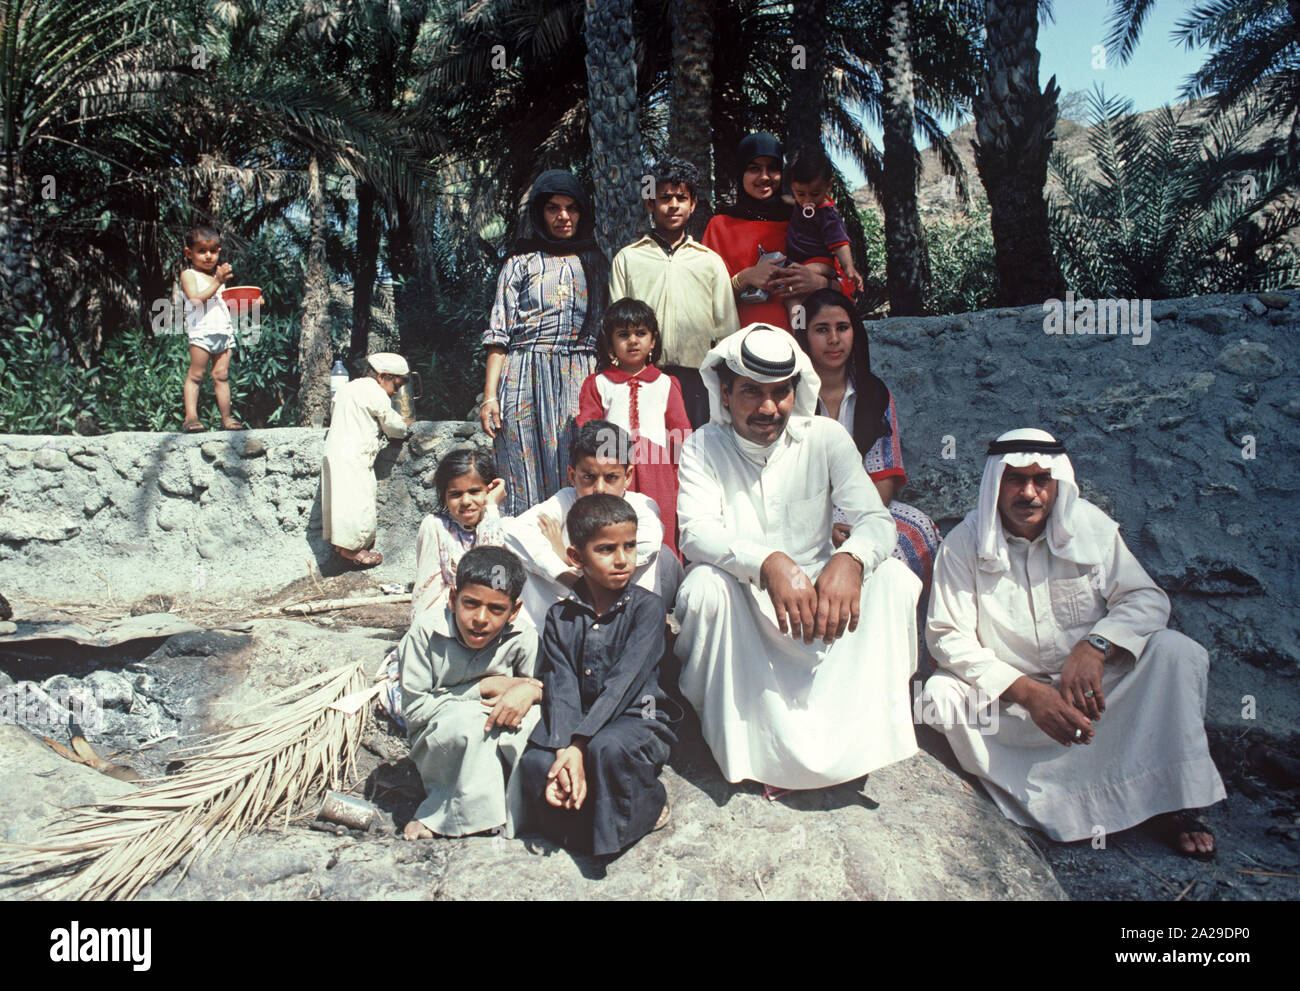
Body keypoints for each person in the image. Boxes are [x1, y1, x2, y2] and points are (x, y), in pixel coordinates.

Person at [921, 428, 1225, 858]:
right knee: (939, 696)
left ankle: (1174, 801)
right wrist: (1028, 693)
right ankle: (1015, 803)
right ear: (996, 482)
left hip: (1091, 694)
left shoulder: (1090, 527)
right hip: (1014, 703)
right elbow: (947, 637)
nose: (1029, 493)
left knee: (1177, 653)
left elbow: (1145, 598)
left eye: (1041, 480)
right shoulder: (964, 545)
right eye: (1016, 480)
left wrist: (1096, 646)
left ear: (1057, 483)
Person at [673, 325, 921, 798]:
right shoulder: (704, 446)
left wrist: (850, 560)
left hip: (823, 604)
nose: (768, 408)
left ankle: (853, 740)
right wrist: (768, 562)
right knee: (703, 588)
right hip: (747, 603)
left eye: (780, 392)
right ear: (725, 393)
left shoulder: (825, 437)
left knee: (894, 580)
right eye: (751, 392)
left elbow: (875, 519)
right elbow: (696, 532)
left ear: (795, 390)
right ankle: (749, 746)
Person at [516, 494, 677, 856]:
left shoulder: (647, 609)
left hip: (640, 714)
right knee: (538, 763)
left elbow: (625, 682)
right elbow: (560, 683)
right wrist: (563, 748)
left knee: (608, 750)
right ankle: (586, 820)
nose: (623, 560)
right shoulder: (561, 616)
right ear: (576, 558)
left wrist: (579, 745)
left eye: (629, 546)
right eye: (606, 550)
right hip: (580, 719)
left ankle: (648, 805)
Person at [480, 170, 609, 516]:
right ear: (539, 212)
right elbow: (499, 332)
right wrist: (490, 396)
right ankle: (522, 557)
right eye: (553, 208)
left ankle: (573, 554)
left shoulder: (596, 262)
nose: (563, 216)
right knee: (520, 464)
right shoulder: (519, 262)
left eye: (571, 208)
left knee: (574, 458)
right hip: (522, 373)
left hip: (578, 373)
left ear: (583, 212)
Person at [795, 289, 940, 589]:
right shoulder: (788, 396)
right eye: (822, 330)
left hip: (863, 505)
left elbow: (883, 474)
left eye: (842, 328)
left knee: (915, 533)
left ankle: (914, 635)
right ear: (805, 336)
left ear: (855, 333)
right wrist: (823, 526)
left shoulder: (875, 394)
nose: (834, 339)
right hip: (801, 508)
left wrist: (863, 522)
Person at [400, 546, 542, 841]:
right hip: (441, 738)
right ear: (453, 599)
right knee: (468, 724)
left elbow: (543, 687)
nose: (480, 618)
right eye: (470, 603)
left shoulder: (523, 637)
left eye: (496, 609)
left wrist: (528, 692)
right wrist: (483, 688)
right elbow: (414, 712)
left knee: (531, 722)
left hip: (500, 727)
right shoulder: (425, 633)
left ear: (514, 610)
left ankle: (513, 814)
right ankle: (442, 814)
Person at [503, 419, 682, 629]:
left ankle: (639, 627)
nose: (599, 488)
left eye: (611, 478)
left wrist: (569, 559)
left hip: (624, 608)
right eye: (588, 477)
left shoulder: (640, 505)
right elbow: (511, 531)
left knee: (660, 555)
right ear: (572, 475)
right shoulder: (566, 499)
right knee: (527, 556)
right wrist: (567, 575)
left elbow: (646, 548)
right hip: (572, 602)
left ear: (627, 476)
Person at [609, 155, 738, 426]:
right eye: (665, 198)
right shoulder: (628, 259)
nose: (673, 205)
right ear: (650, 204)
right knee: (648, 454)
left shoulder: (710, 262)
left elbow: (727, 331)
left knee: (693, 453)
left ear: (692, 205)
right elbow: (616, 325)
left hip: (698, 382)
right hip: (644, 377)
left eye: (681, 198)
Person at [577, 299, 692, 558]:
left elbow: (680, 432)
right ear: (610, 343)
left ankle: (663, 584)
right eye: (623, 334)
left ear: (653, 341)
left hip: (657, 470)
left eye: (641, 333)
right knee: (613, 525)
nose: (633, 340)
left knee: (659, 527)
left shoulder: (665, 383)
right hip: (613, 471)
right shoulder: (598, 383)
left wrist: (677, 476)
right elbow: (588, 430)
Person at [702, 133, 841, 332]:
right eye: (754, 168)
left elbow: (843, 281)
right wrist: (743, 279)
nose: (765, 177)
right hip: (737, 345)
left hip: (798, 344)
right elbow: (703, 297)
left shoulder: (804, 219)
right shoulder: (720, 226)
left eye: (773, 168)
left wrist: (818, 282)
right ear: (740, 171)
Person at [320, 352, 412, 568]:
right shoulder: (375, 392)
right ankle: (352, 551)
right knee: (357, 502)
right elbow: (393, 426)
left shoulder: (347, 388)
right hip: (354, 454)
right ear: (382, 376)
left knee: (340, 501)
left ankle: (341, 546)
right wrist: (404, 425)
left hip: (335, 452)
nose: (395, 392)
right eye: (395, 386)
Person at [412, 448, 509, 622]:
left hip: (490, 622)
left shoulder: (503, 527)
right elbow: (426, 593)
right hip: (445, 621)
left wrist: (491, 509)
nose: (465, 501)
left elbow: (496, 584)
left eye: (474, 492)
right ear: (444, 497)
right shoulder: (435, 527)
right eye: (456, 494)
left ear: (490, 489)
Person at [179, 225, 254, 432]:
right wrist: (218, 281)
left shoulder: (217, 281)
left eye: (213, 251)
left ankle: (226, 418)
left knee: (221, 376)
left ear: (219, 252)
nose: (208, 256)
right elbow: (195, 299)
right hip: (202, 333)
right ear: (189, 253)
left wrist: (252, 303)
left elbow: (225, 307)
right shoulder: (189, 275)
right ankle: (191, 417)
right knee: (196, 376)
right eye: (201, 251)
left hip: (223, 333)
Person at [782, 148, 863, 315]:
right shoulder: (800, 201)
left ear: (829, 185)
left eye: (815, 194)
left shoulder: (827, 214)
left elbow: (840, 243)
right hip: (798, 260)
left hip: (820, 262)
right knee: (791, 296)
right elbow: (791, 201)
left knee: (795, 278)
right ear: (792, 187)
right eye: (800, 194)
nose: (807, 200)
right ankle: (799, 330)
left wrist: (849, 268)